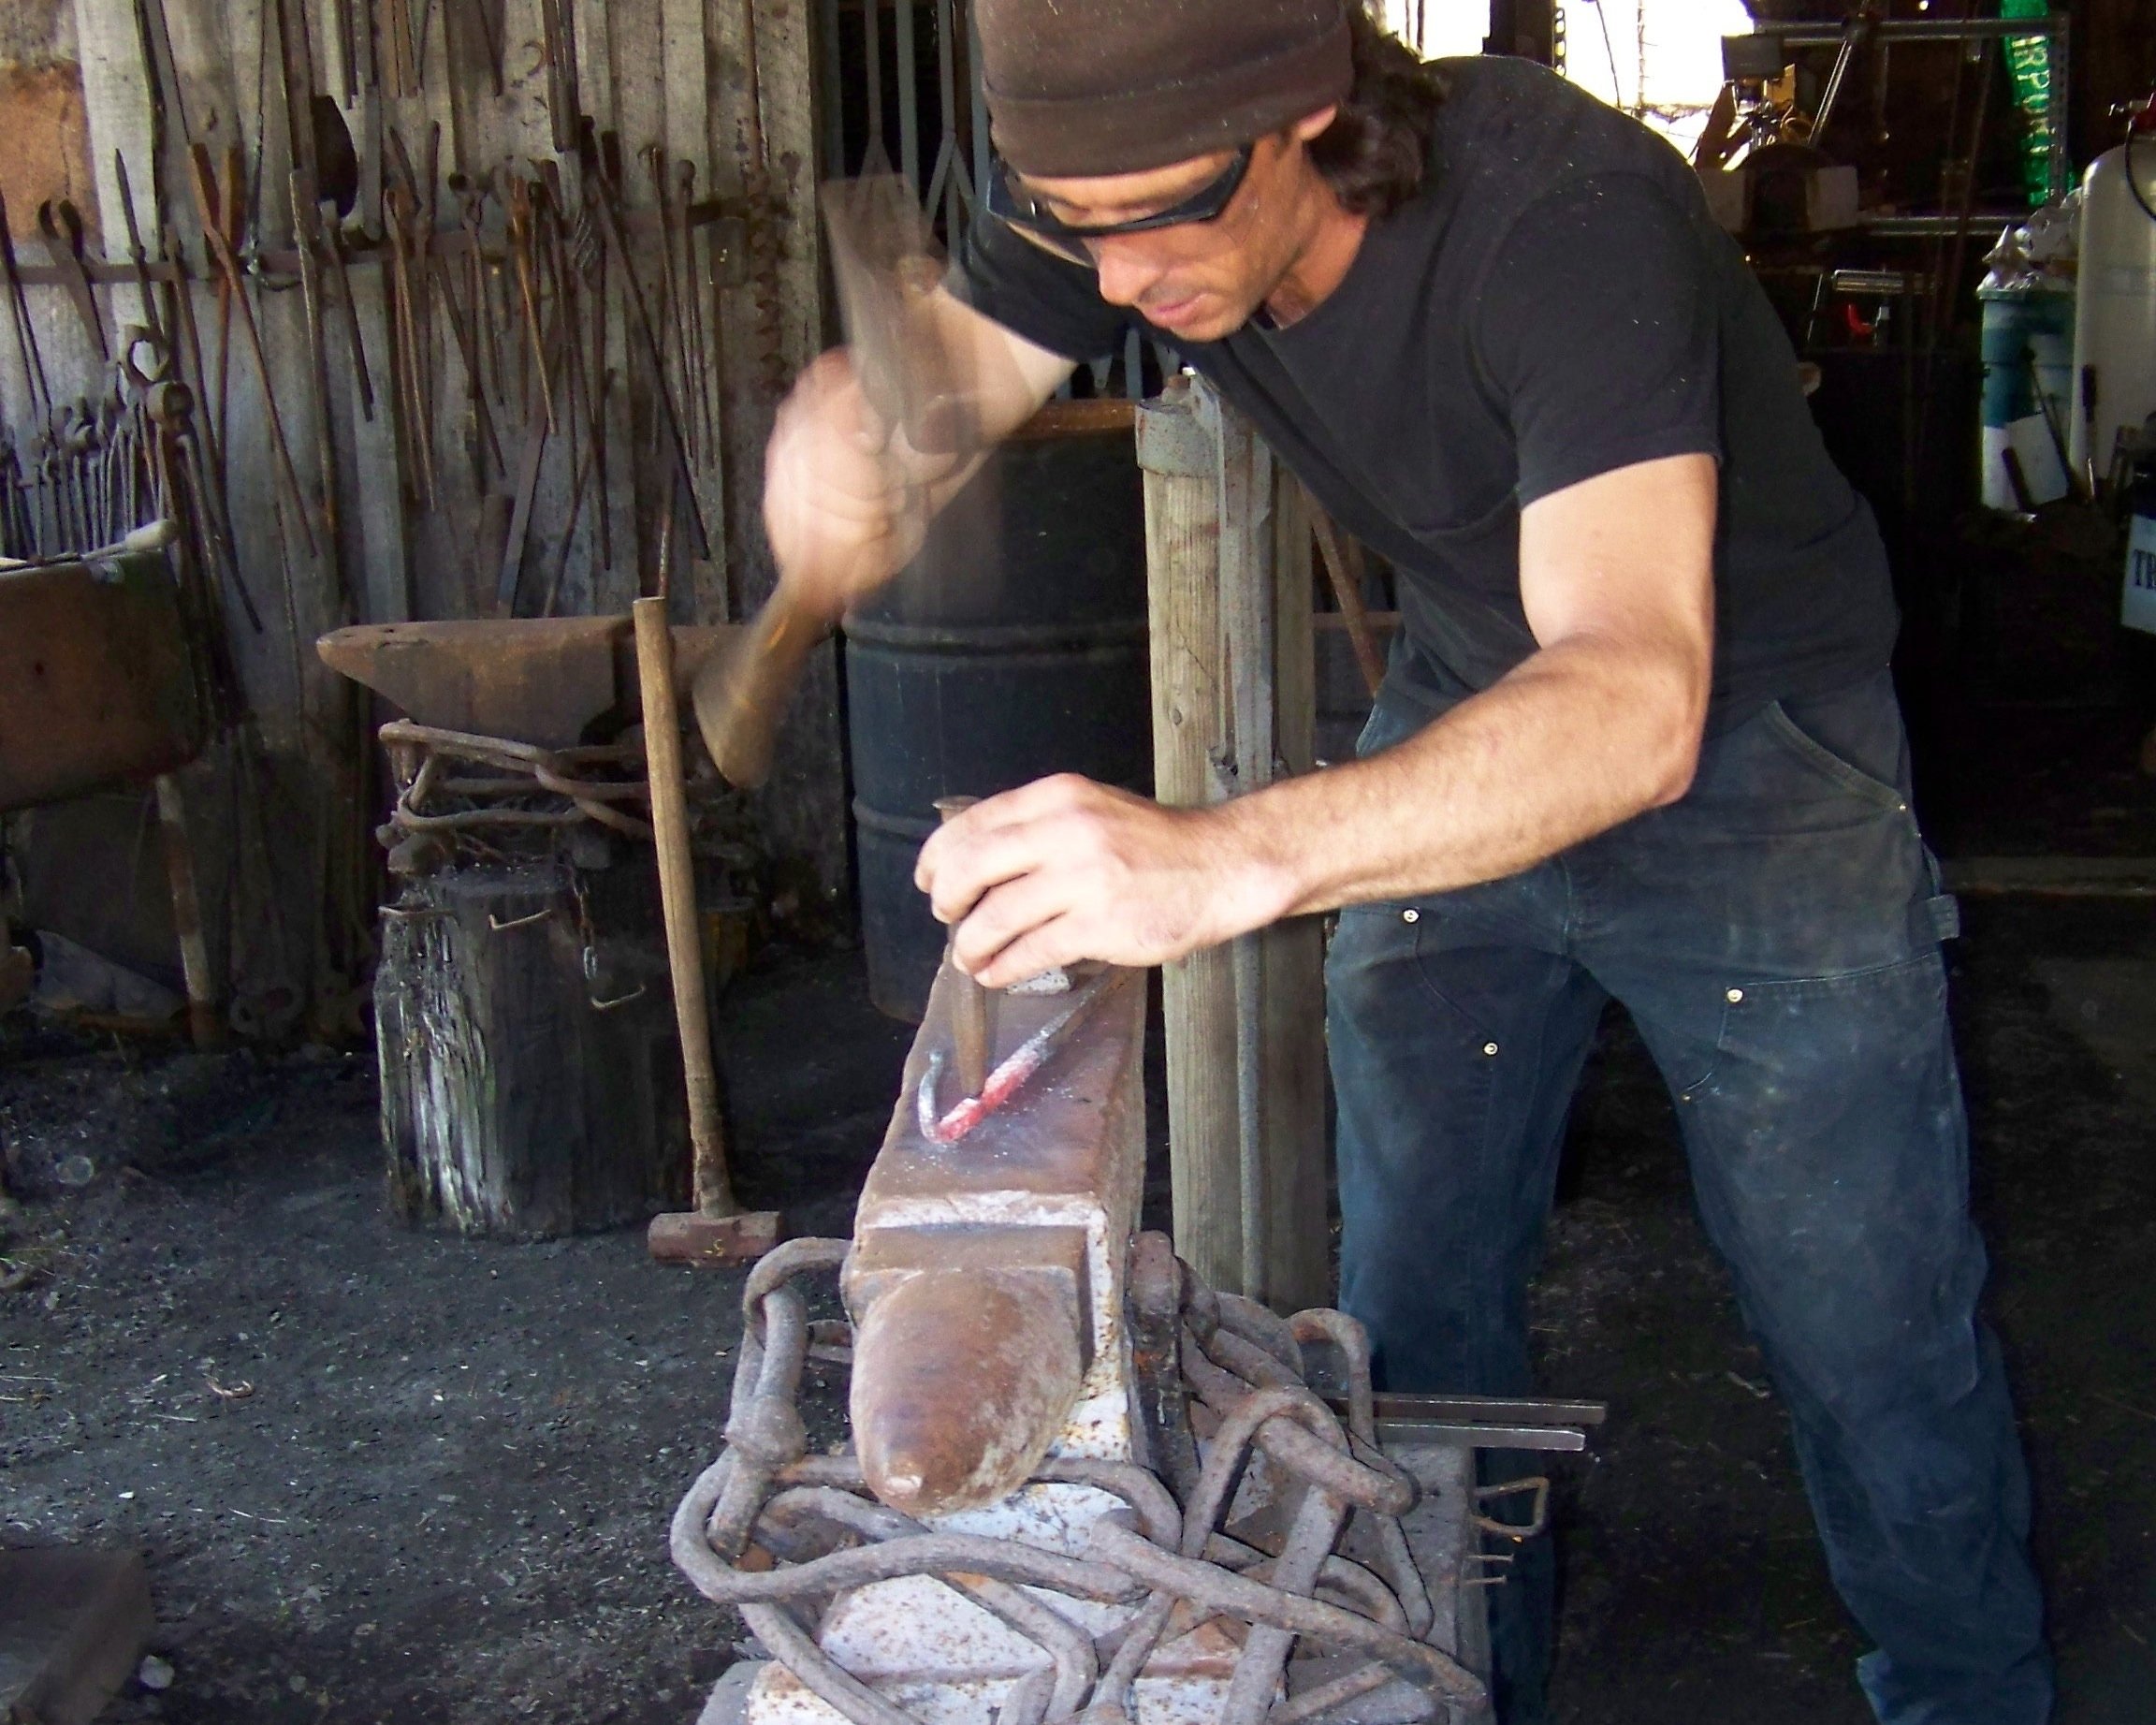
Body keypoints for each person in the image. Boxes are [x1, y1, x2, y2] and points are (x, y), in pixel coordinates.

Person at [760, 3, 2052, 1718]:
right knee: (1411, 1307)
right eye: (1082, 225)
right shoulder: (1137, 188)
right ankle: (1445, 1679)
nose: (1127, 280)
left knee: (1865, 1313)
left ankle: (1972, 1691)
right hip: (1472, 690)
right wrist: (864, 433)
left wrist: (1227, 857)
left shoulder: (1563, 223)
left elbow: (1634, 699)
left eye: (1167, 216)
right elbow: (951, 366)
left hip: (1749, 744)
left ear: (1305, 112)